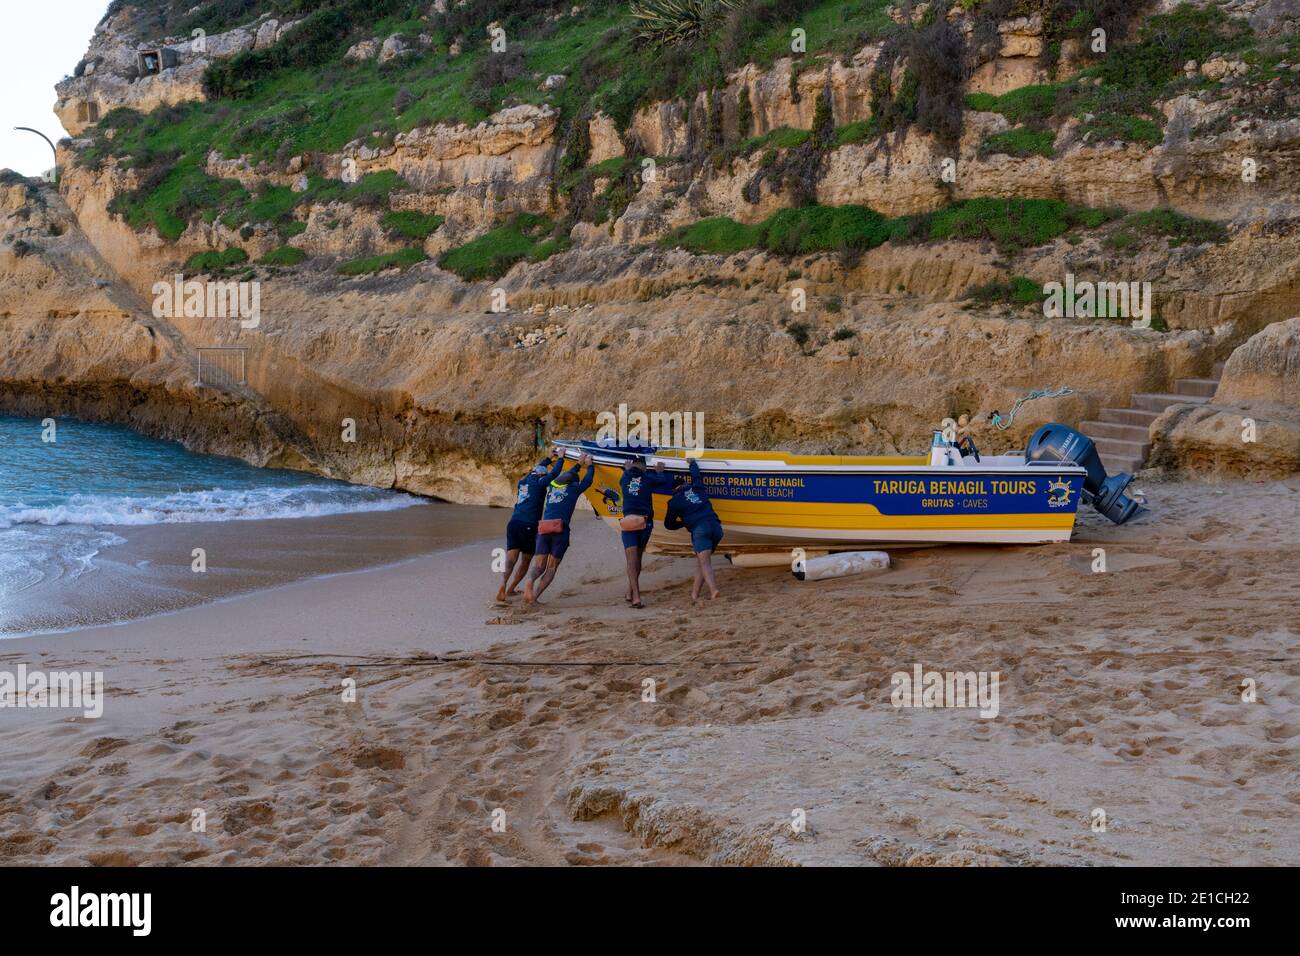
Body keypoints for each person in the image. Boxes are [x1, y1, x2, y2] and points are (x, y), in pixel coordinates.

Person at [523, 453, 594, 606]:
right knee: (551, 568)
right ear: (574, 483)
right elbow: (588, 481)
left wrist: (578, 465)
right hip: (560, 530)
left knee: (538, 566)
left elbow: (565, 476)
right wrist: (590, 466)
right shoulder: (574, 489)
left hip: (544, 528)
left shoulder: (552, 487)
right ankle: (534, 597)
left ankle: (529, 581)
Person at [496, 448, 563, 603]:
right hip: (529, 526)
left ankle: (503, 584)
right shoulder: (540, 484)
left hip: (513, 523)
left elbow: (539, 469)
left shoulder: (523, 482)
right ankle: (512, 588)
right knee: (525, 561)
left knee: (510, 558)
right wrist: (560, 459)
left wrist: (547, 459)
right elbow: (554, 475)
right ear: (541, 476)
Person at [618, 456, 675, 609]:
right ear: (644, 468)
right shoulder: (649, 478)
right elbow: (661, 481)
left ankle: (634, 595)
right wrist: (659, 471)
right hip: (645, 523)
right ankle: (632, 594)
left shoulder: (624, 477)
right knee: (638, 557)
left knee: (631, 560)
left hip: (629, 522)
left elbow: (627, 472)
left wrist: (626, 469)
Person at [663, 457, 723, 601]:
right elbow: (696, 475)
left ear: (674, 490)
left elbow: (668, 524)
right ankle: (694, 595)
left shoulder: (674, 501)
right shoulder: (697, 487)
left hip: (700, 530)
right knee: (702, 563)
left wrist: (683, 523)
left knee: (705, 563)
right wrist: (692, 463)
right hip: (716, 527)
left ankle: (713, 590)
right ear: (685, 484)